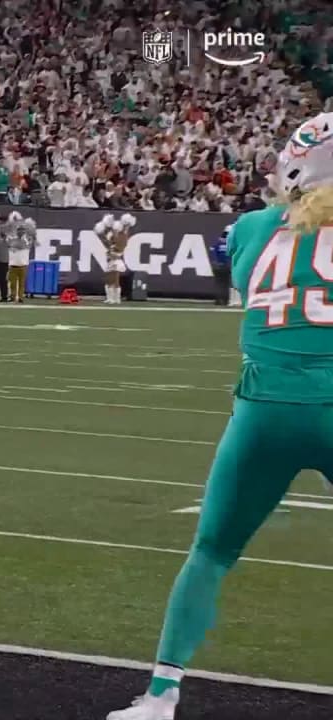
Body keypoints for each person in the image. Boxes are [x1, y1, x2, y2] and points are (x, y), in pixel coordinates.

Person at [107, 112, 333, 720]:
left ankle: (160, 695)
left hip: (262, 413)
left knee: (211, 552)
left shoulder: (257, 227)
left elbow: (238, 268)